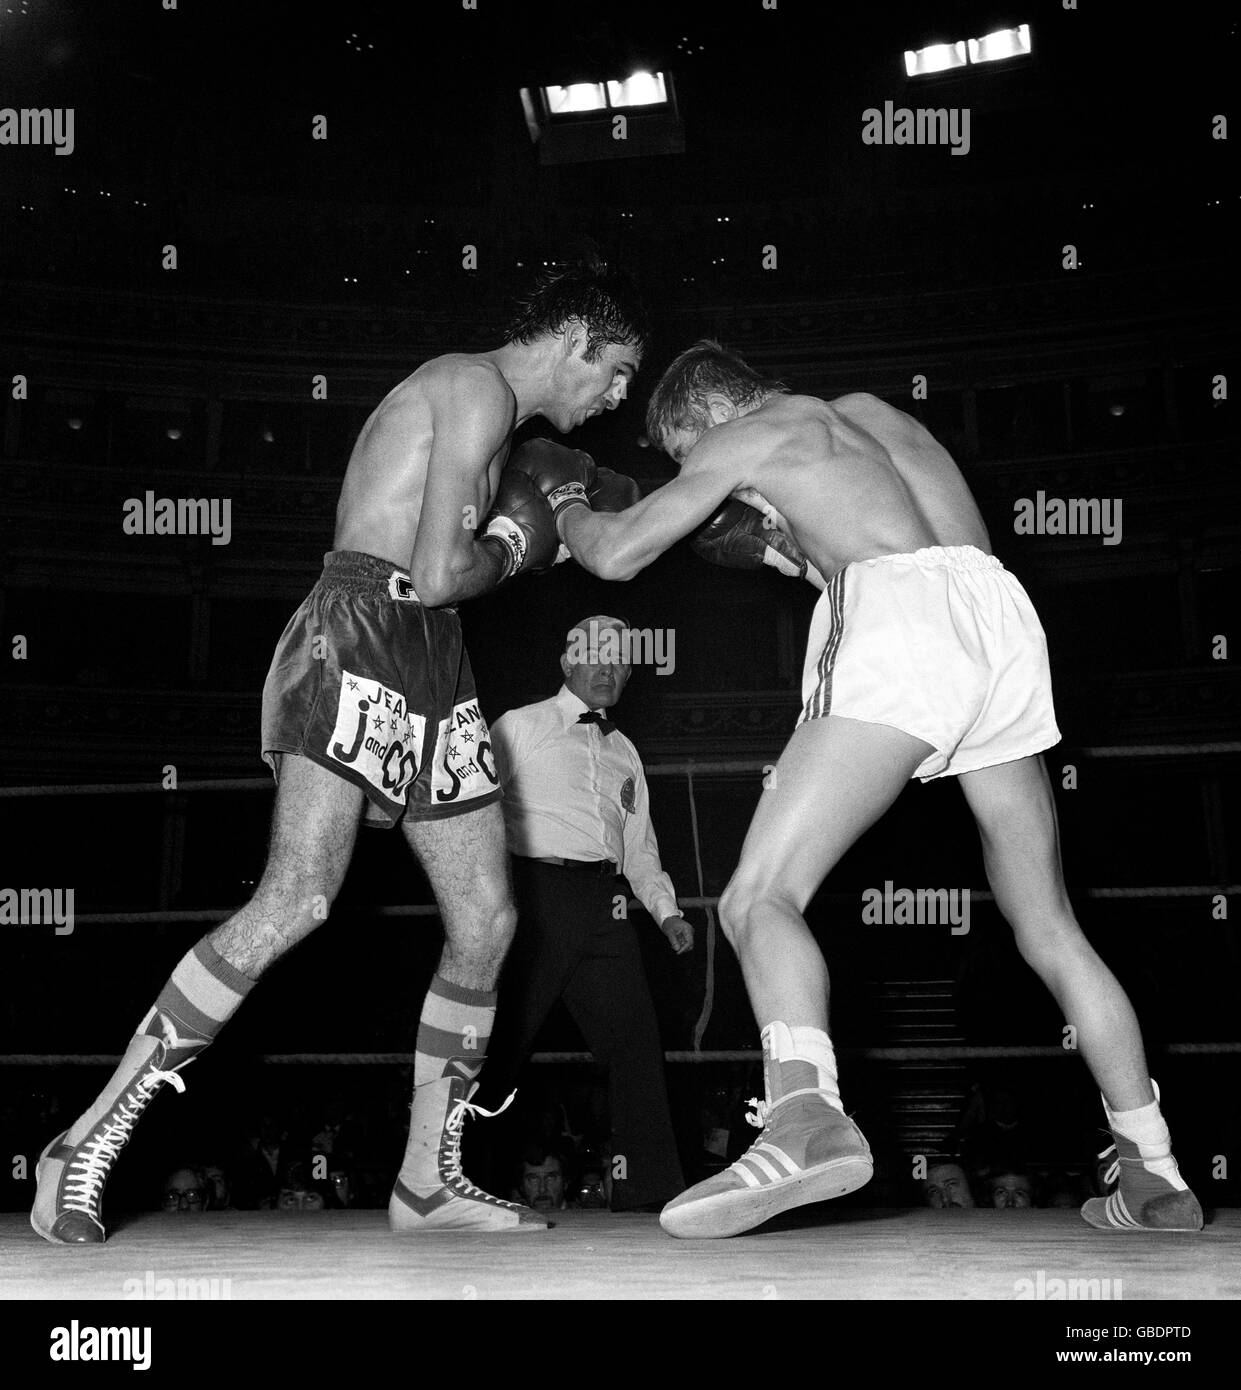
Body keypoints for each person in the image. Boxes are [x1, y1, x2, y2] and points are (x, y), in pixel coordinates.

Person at [518, 338, 1202, 1239]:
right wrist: (782, 553)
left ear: (710, 413)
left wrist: (563, 502)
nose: (706, 481)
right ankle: (1153, 1168)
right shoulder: (879, 419)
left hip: (900, 621)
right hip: (996, 624)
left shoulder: (752, 431)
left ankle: (805, 1119)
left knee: (757, 898)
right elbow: (898, 541)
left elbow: (616, 555)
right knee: (1048, 926)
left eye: (690, 455)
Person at [31, 261, 648, 1244]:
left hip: (433, 656)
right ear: (576, 338)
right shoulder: (473, 387)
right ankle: (85, 1138)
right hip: (361, 627)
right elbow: (440, 572)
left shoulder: (499, 423)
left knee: (488, 919)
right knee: (297, 897)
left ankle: (427, 1180)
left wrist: (527, 537)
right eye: (616, 370)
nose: (617, 396)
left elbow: (450, 584)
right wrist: (516, 547)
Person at [480, 616, 691, 1211]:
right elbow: (475, 810)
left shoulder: (625, 751)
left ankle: (651, 1192)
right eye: (596, 655)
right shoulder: (519, 726)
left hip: (607, 902)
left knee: (636, 1041)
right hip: (534, 891)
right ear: (567, 663)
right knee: (501, 1043)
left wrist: (667, 912)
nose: (607, 668)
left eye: (619, 660)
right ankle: (460, 1180)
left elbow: (640, 848)